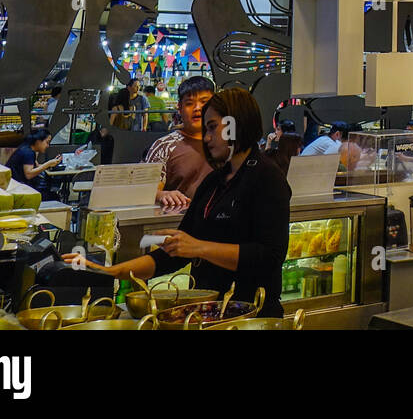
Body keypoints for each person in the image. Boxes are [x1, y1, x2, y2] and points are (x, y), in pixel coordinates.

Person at [64, 87, 291, 317]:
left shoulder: (267, 178)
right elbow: (173, 254)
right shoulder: (214, 181)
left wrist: (200, 247)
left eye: (213, 127)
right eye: (206, 129)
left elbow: (269, 257)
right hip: (211, 313)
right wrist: (110, 271)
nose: (208, 137)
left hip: (252, 317)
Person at [143, 75, 216, 209]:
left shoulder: (228, 144)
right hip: (179, 224)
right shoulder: (165, 146)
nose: (197, 108)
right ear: (179, 108)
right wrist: (162, 195)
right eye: (189, 103)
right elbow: (145, 191)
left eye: (204, 102)